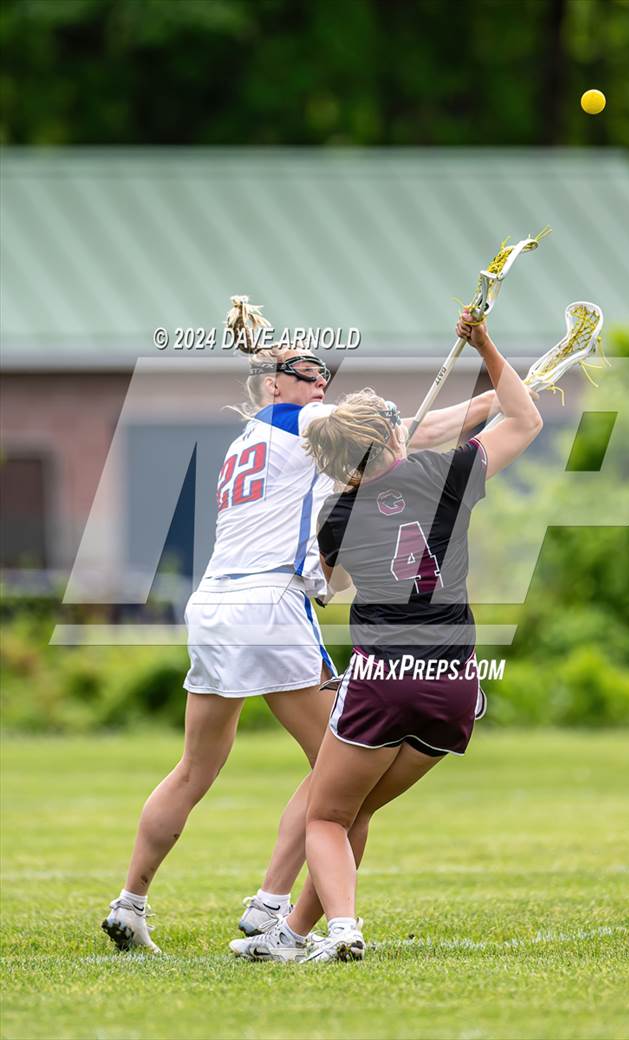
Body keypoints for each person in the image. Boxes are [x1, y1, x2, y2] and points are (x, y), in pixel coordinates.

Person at [102, 297, 500, 953]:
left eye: (324, 375)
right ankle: (273, 909)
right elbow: (415, 435)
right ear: (276, 382)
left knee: (194, 770)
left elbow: (396, 436)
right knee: (340, 775)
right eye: (309, 375)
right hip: (271, 604)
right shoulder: (310, 419)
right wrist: (500, 400)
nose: (324, 385)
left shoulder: (246, 439)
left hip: (214, 607)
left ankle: (131, 902)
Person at [229, 308, 542, 963]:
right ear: (395, 442)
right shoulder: (444, 476)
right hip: (453, 688)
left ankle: (341, 929)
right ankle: (291, 937)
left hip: (380, 681)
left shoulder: (337, 514)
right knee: (354, 812)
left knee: (328, 814)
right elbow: (524, 420)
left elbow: (330, 585)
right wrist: (484, 343)